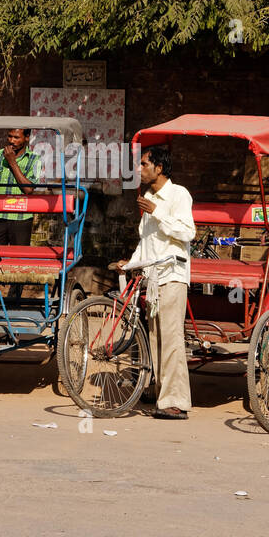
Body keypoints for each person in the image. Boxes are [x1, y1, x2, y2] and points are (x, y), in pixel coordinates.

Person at [113, 144, 196, 420]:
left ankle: (176, 402)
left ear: (159, 168)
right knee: (155, 338)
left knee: (172, 340)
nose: (139, 169)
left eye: (144, 164)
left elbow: (187, 232)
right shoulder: (148, 196)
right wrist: (131, 263)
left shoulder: (178, 194)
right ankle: (162, 395)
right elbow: (146, 243)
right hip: (153, 279)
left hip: (172, 275)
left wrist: (157, 212)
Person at [0, 128, 41, 246]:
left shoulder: (34, 160)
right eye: (10, 136)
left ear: (27, 138)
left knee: (18, 258)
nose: (11, 141)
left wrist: (12, 162)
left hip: (21, 218)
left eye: (16, 137)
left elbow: (29, 189)